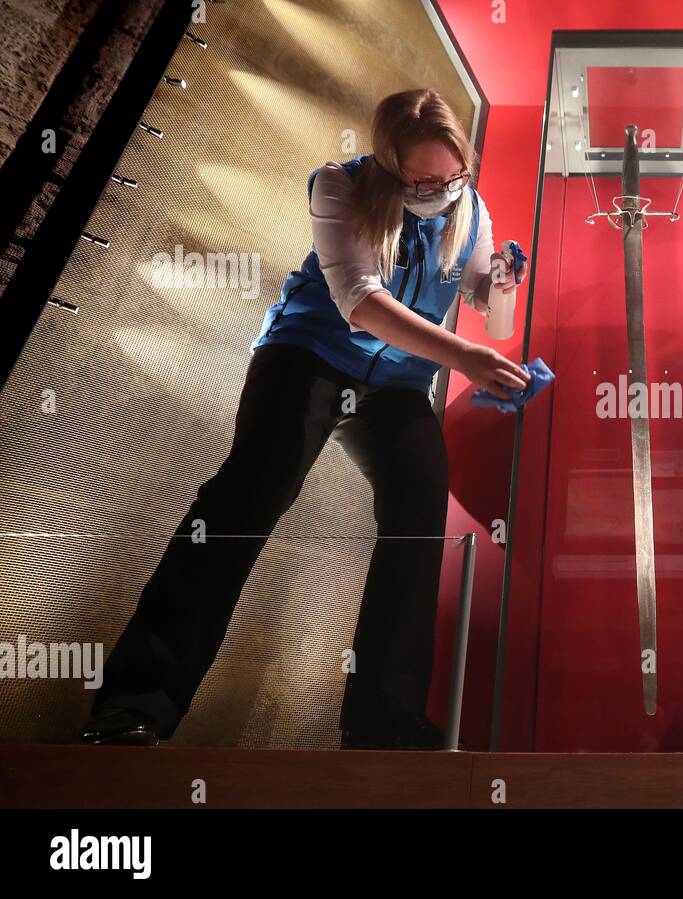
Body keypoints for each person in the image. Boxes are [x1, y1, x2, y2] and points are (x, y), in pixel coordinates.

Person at [80, 88, 529, 749]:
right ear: (387, 164)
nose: (441, 190)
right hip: (309, 352)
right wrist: (463, 353)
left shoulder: (472, 210)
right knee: (253, 490)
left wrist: (503, 288)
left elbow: (496, 318)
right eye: (423, 180)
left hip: (398, 383)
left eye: (453, 175)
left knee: (418, 504)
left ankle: (383, 717)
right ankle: (136, 701)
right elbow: (361, 302)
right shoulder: (338, 188)